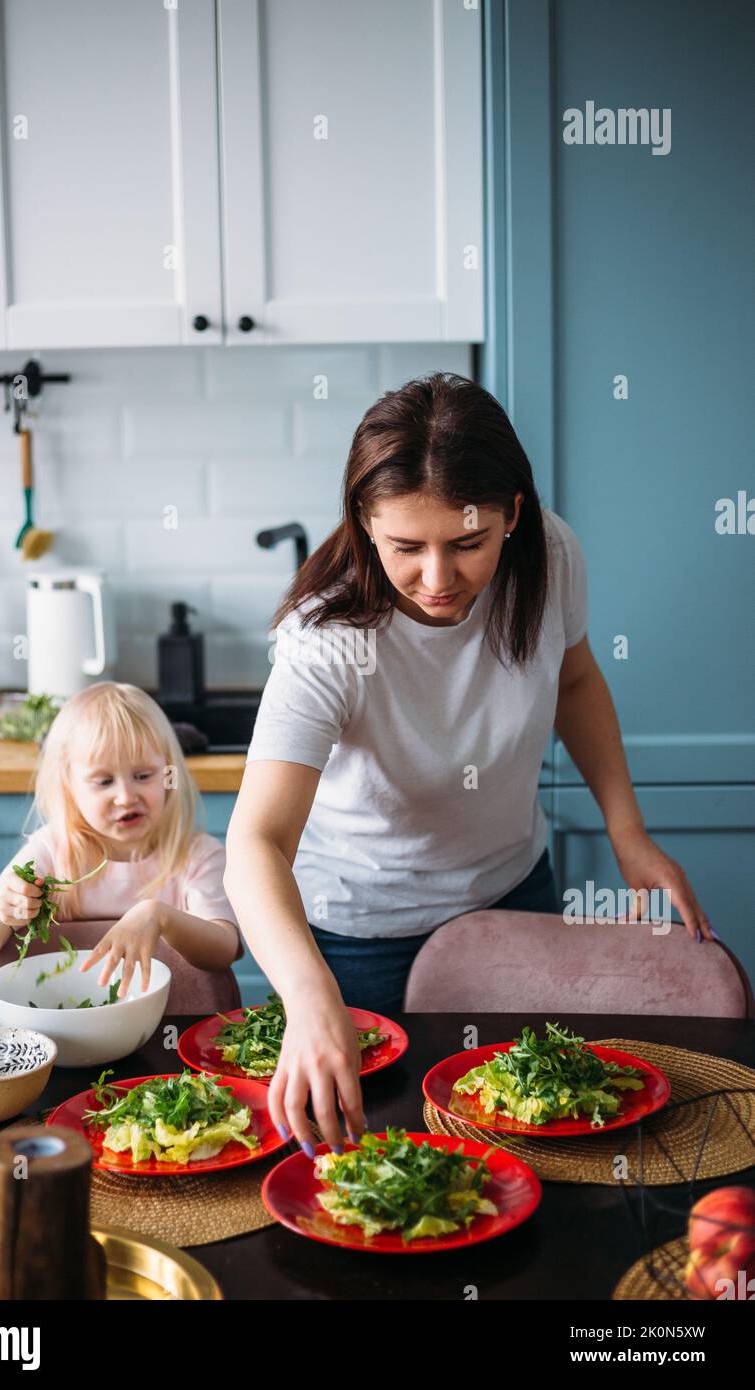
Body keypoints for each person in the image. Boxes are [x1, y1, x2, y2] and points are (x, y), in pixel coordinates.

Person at [223, 372, 714, 1157]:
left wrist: (628, 832)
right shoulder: (324, 640)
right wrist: (312, 995)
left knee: (542, 1144)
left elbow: (577, 680)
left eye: (467, 543)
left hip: (512, 896)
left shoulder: (550, 553)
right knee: (381, 1173)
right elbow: (255, 844)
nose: (438, 579)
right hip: (358, 939)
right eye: (406, 548)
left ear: (512, 515)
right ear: (364, 521)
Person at [0, 681, 241, 992]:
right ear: (69, 786)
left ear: (169, 773)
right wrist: (5, 907)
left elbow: (225, 949)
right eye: (104, 781)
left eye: (143, 776)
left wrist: (159, 916)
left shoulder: (197, 855)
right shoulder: (51, 851)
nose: (126, 796)